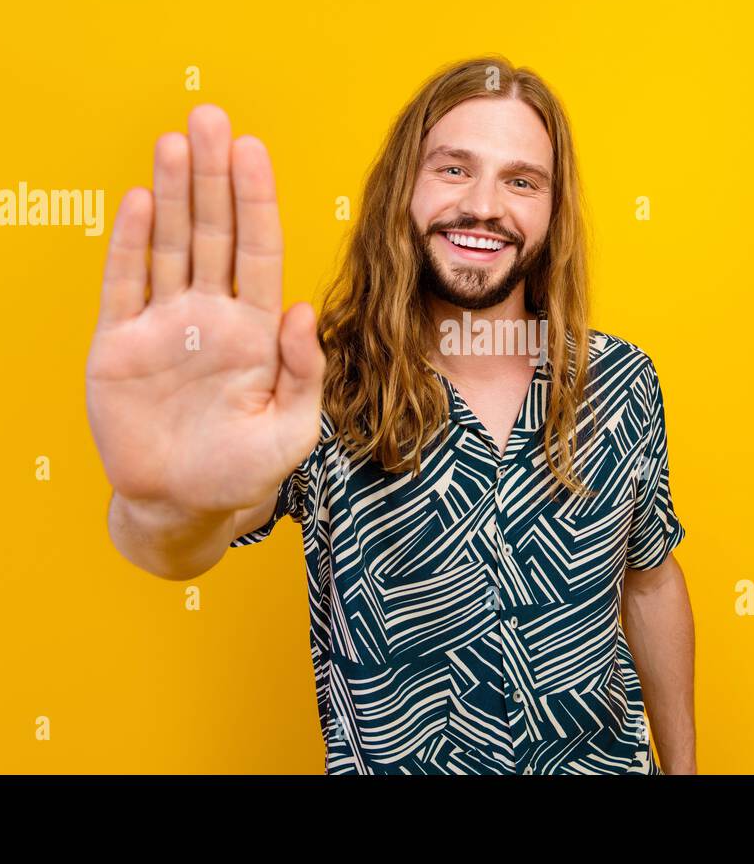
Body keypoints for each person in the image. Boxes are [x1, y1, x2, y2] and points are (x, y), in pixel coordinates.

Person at [85, 56, 696, 774]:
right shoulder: (316, 383)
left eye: (521, 181)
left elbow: (650, 579)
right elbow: (185, 541)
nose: (485, 206)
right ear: (403, 188)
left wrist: (683, 767)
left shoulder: (619, 381)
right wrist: (165, 505)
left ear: (553, 212)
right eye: (453, 169)